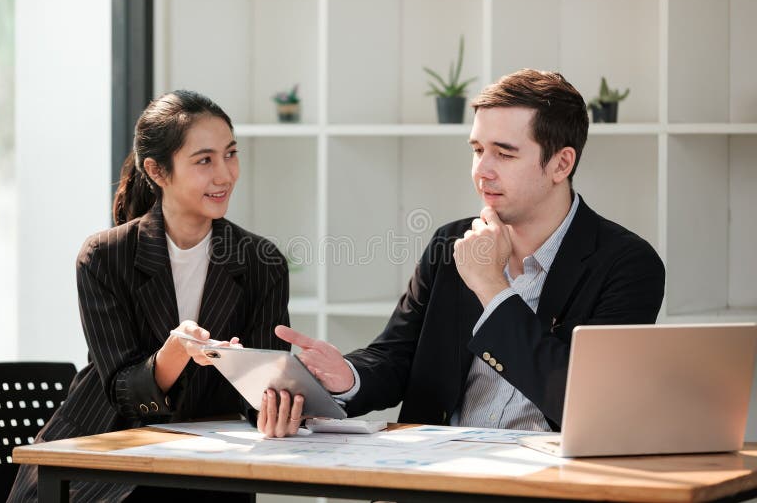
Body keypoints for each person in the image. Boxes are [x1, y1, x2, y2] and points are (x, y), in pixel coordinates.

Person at [260, 69, 665, 436]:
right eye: (477, 150)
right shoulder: (450, 242)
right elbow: (397, 356)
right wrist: (346, 376)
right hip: (437, 475)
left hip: (546, 484)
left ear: (561, 164)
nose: (482, 170)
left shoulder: (627, 264)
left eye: (504, 154)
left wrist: (491, 288)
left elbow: (583, 402)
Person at [8, 90, 290, 502]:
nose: (225, 175)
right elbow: (122, 390)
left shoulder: (262, 261)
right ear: (158, 171)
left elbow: (264, 390)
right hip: (105, 456)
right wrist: (173, 353)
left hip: (208, 467)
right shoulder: (104, 257)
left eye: (230, 154)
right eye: (204, 160)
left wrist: (260, 386)